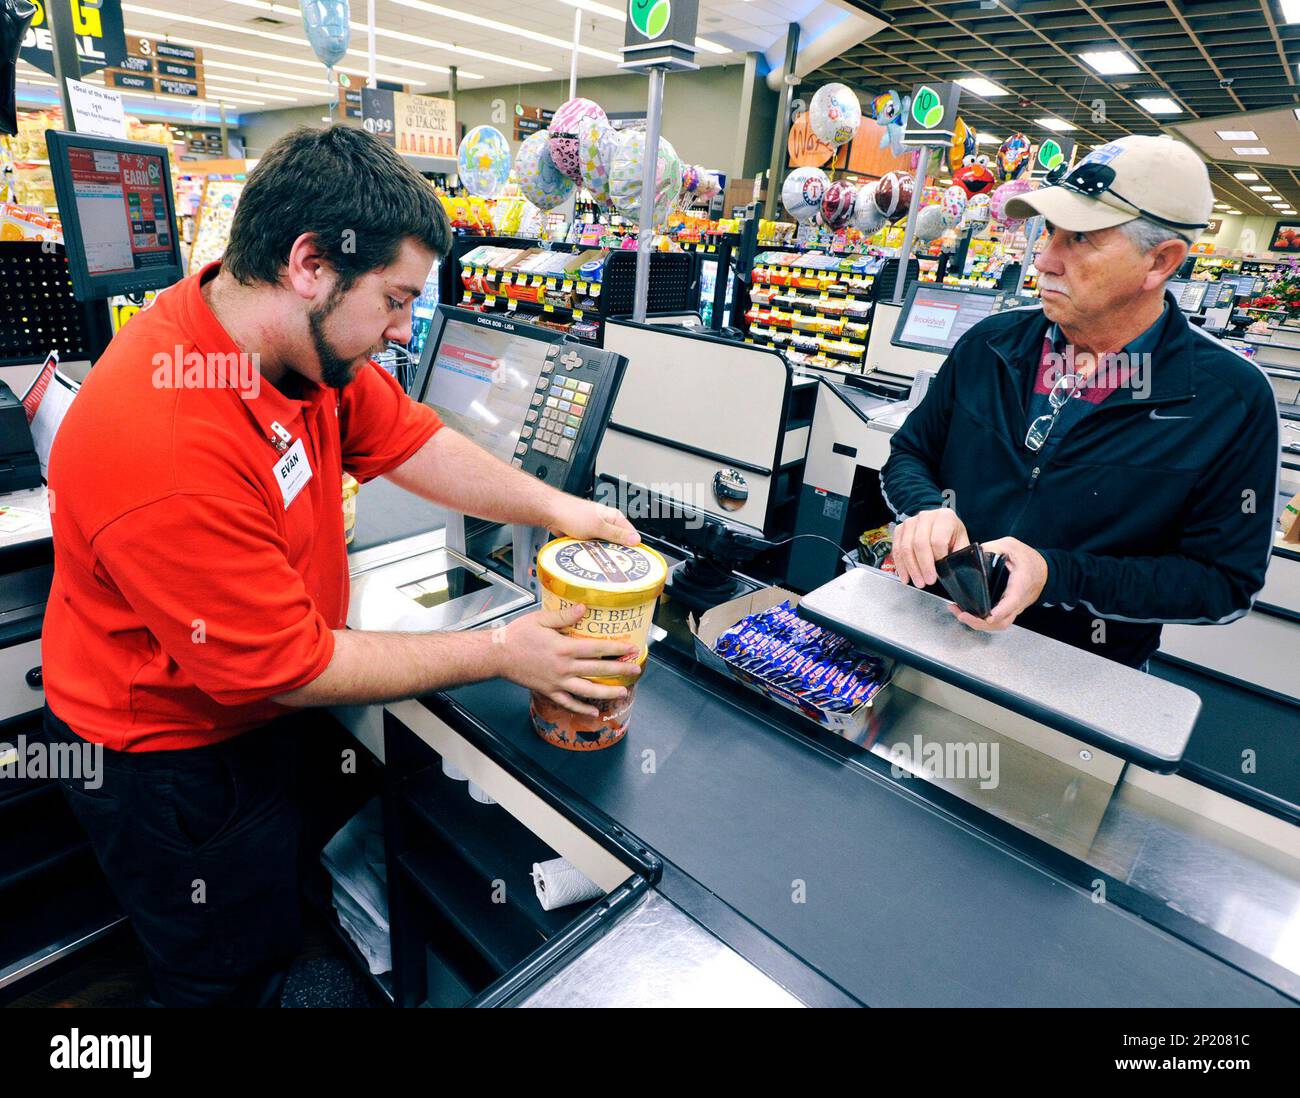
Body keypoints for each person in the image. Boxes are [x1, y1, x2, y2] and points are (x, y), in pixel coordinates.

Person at [40, 126, 640, 1006]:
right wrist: (506, 650)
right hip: (169, 760)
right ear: (309, 263)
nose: (403, 332)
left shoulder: (284, 339)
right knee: (220, 967)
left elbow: (407, 438)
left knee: (281, 906)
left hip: (246, 714)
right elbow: (287, 667)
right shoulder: (168, 443)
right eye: (396, 301)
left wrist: (559, 507)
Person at [881, 134, 1278, 667]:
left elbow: (1221, 583)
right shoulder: (990, 346)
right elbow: (909, 453)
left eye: (1081, 239)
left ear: (1160, 261)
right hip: (925, 624)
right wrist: (927, 510)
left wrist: (1054, 575)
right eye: (1049, 232)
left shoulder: (1229, 400)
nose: (1045, 258)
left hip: (1074, 673)